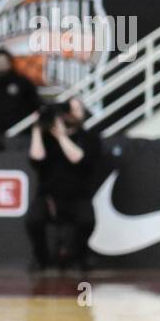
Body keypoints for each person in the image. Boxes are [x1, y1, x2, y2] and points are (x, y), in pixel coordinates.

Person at [26, 97, 101, 272]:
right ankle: (41, 257)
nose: (71, 114)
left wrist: (61, 137)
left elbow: (79, 159)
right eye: (69, 109)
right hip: (48, 195)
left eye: (76, 109)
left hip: (78, 195)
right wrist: (37, 129)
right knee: (33, 220)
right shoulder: (46, 137)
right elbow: (36, 160)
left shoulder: (89, 138)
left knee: (86, 221)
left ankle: (80, 255)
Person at [0, 50, 41, 133]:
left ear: (10, 62)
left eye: (4, 61)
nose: (2, 64)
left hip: (22, 131)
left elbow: (35, 106)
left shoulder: (23, 82)